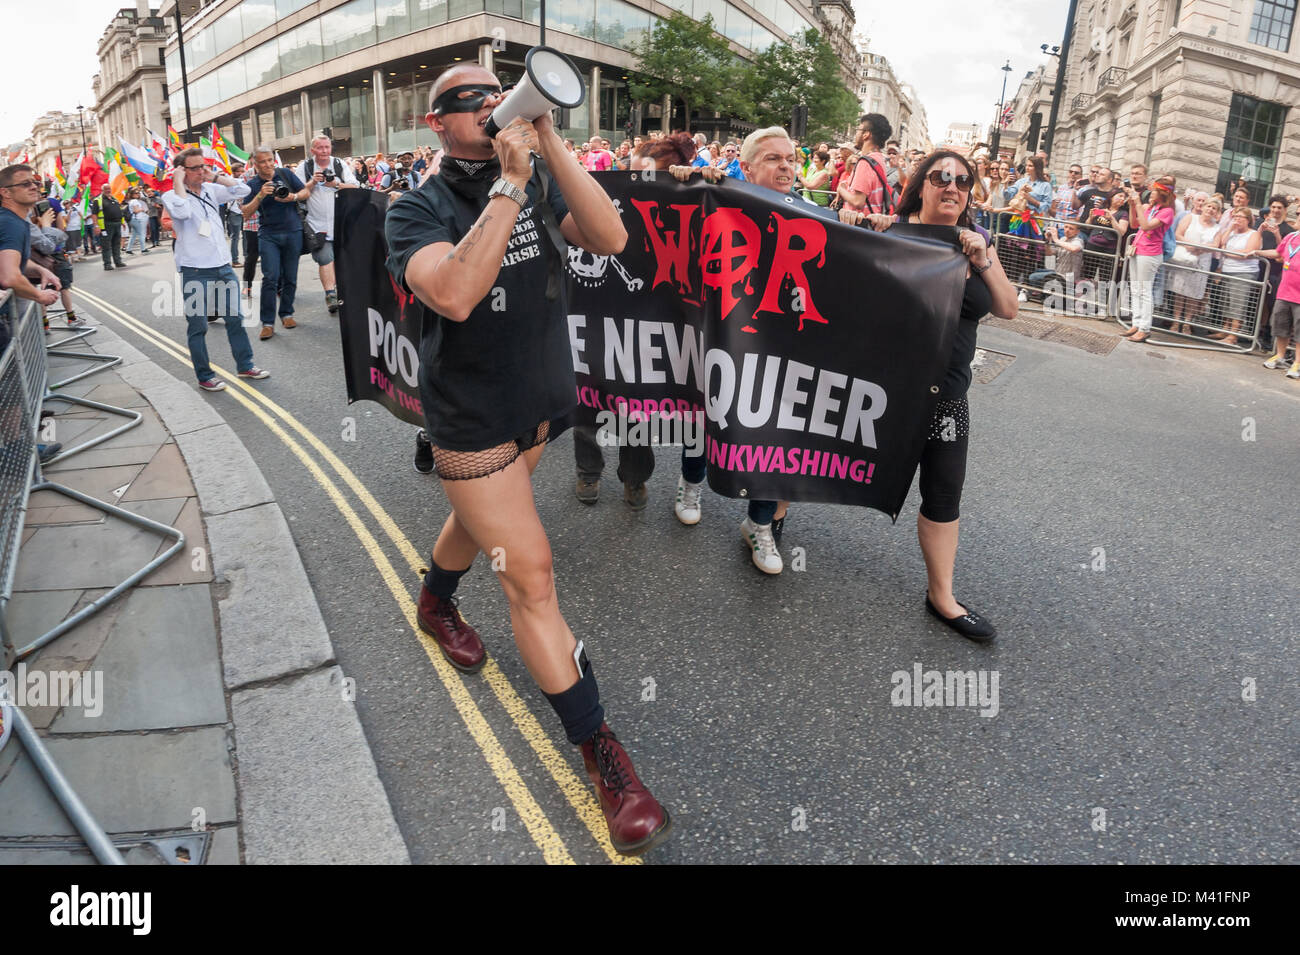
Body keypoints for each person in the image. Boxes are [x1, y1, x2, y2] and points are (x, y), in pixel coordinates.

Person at [384, 64, 671, 855]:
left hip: (541, 401)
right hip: (472, 418)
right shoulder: (414, 208)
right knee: (531, 573)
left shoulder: (540, 177)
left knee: (479, 526)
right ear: (436, 122)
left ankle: (435, 598)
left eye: (499, 94)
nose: (491, 105)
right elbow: (453, 293)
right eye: (471, 100)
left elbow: (611, 239)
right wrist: (510, 182)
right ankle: (602, 753)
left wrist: (547, 141)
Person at [844, 150, 1017, 640]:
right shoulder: (890, 231)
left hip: (946, 395)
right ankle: (770, 518)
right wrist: (857, 227)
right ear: (921, 184)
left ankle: (942, 596)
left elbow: (1007, 308)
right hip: (882, 388)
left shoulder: (978, 241)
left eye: (963, 181)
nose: (953, 187)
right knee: (825, 451)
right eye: (941, 177)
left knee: (944, 488)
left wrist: (981, 261)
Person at [669, 127, 809, 574]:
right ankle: (691, 483)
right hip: (719, 333)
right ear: (745, 168)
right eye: (773, 158)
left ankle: (759, 523)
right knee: (704, 411)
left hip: (778, 345)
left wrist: (878, 226)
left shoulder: (811, 213)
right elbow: (666, 210)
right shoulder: (715, 196)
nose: (786, 165)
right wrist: (683, 179)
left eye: (790, 158)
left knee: (774, 432)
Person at [571, 132, 696, 508]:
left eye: (650, 176)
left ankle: (635, 477)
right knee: (588, 396)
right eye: (633, 171)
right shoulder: (603, 196)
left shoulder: (684, 197)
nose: (637, 181)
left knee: (637, 404)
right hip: (594, 316)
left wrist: (702, 182)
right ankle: (588, 472)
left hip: (647, 323)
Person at [162, 147, 268, 392]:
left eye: (203, 166)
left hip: (222, 267)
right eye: (195, 168)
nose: (201, 171)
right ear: (182, 171)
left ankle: (245, 365)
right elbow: (183, 212)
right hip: (195, 270)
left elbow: (244, 189)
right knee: (198, 326)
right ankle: (205, 375)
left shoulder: (211, 189)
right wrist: (178, 181)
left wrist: (215, 177)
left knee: (236, 319)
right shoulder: (172, 196)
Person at [241, 146, 310, 340]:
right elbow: (245, 212)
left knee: (290, 276)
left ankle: (287, 313)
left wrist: (292, 196)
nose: (268, 164)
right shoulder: (254, 184)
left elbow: (305, 192)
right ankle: (268, 323)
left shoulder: (286, 173)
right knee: (270, 278)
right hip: (268, 234)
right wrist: (261, 194)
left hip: (293, 231)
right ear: (255, 164)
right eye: (262, 161)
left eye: (270, 160)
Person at [297, 133, 360, 315]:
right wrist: (312, 182)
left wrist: (335, 183)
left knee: (342, 261)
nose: (324, 151)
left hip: (341, 223)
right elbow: (299, 192)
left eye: (327, 147)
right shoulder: (305, 166)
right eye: (320, 147)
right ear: (313, 150)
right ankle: (330, 294)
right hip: (316, 224)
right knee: (325, 259)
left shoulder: (339, 164)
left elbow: (355, 186)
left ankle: (344, 293)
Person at [1122, 177, 1177, 343]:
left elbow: (1146, 226)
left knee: (1145, 291)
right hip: (1138, 250)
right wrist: (1132, 205)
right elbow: (1134, 224)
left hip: (1150, 253)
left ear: (1161, 194)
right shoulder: (1151, 208)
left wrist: (1138, 202)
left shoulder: (1167, 212)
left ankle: (1145, 328)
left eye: (1154, 191)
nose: (1150, 194)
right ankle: (1136, 323)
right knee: (1136, 289)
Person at [1168, 193, 1220, 335]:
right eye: (1209, 206)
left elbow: (1216, 244)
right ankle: (1176, 321)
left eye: (1214, 208)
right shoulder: (1190, 217)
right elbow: (1178, 234)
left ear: (1217, 212)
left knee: (1193, 294)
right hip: (1185, 256)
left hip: (1202, 262)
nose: (1210, 209)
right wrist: (1191, 245)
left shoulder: (1217, 227)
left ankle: (1187, 323)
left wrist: (1201, 249)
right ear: (1203, 207)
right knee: (1180, 292)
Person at [1211, 206, 1263, 346]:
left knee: (1237, 304)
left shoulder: (1253, 234)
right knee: (1226, 301)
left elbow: (1247, 252)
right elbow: (1221, 243)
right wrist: (1229, 229)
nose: (1237, 220)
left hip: (1244, 272)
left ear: (1248, 220)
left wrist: (1227, 252)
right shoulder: (1232, 232)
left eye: (1241, 217)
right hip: (1228, 270)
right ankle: (1225, 329)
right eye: (1235, 217)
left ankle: (1233, 335)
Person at [1259, 201, 1300, 378]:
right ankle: (1281, 356)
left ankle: (1298, 363)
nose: (1299, 217)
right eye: (1298, 213)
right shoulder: (1291, 237)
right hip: (1285, 291)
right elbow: (1278, 254)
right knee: (1280, 326)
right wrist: (1255, 252)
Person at [1251, 194, 1294, 354]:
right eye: (1273, 207)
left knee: (1272, 306)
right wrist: (1261, 230)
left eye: (1279, 208)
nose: (1275, 210)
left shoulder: (1288, 231)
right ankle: (1253, 332)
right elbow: (1253, 242)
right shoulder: (1260, 224)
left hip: (1277, 273)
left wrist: (1277, 234)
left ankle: (1268, 337)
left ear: (1284, 210)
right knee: (1256, 302)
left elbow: (1283, 253)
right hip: (1259, 268)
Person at [838, 113, 893, 214]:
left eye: (858, 130)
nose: (856, 134)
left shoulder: (865, 162)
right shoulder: (879, 158)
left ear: (866, 134)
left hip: (858, 222)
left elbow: (858, 201)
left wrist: (841, 189)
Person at [94, 185, 125, 270]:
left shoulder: (114, 199)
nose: (108, 190)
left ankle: (118, 262)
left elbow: (119, 210)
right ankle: (107, 264)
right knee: (106, 246)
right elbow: (94, 214)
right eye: (106, 189)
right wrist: (96, 225)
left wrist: (122, 222)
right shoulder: (98, 200)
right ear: (102, 190)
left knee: (116, 244)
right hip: (106, 225)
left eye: (109, 189)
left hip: (117, 224)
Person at [124, 189, 149, 254]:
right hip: (136, 219)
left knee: (134, 234)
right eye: (136, 193)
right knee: (141, 234)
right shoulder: (134, 201)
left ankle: (128, 249)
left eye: (138, 193)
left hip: (133, 219)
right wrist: (142, 209)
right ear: (132, 194)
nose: (138, 194)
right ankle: (143, 249)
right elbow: (136, 210)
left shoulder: (131, 201)